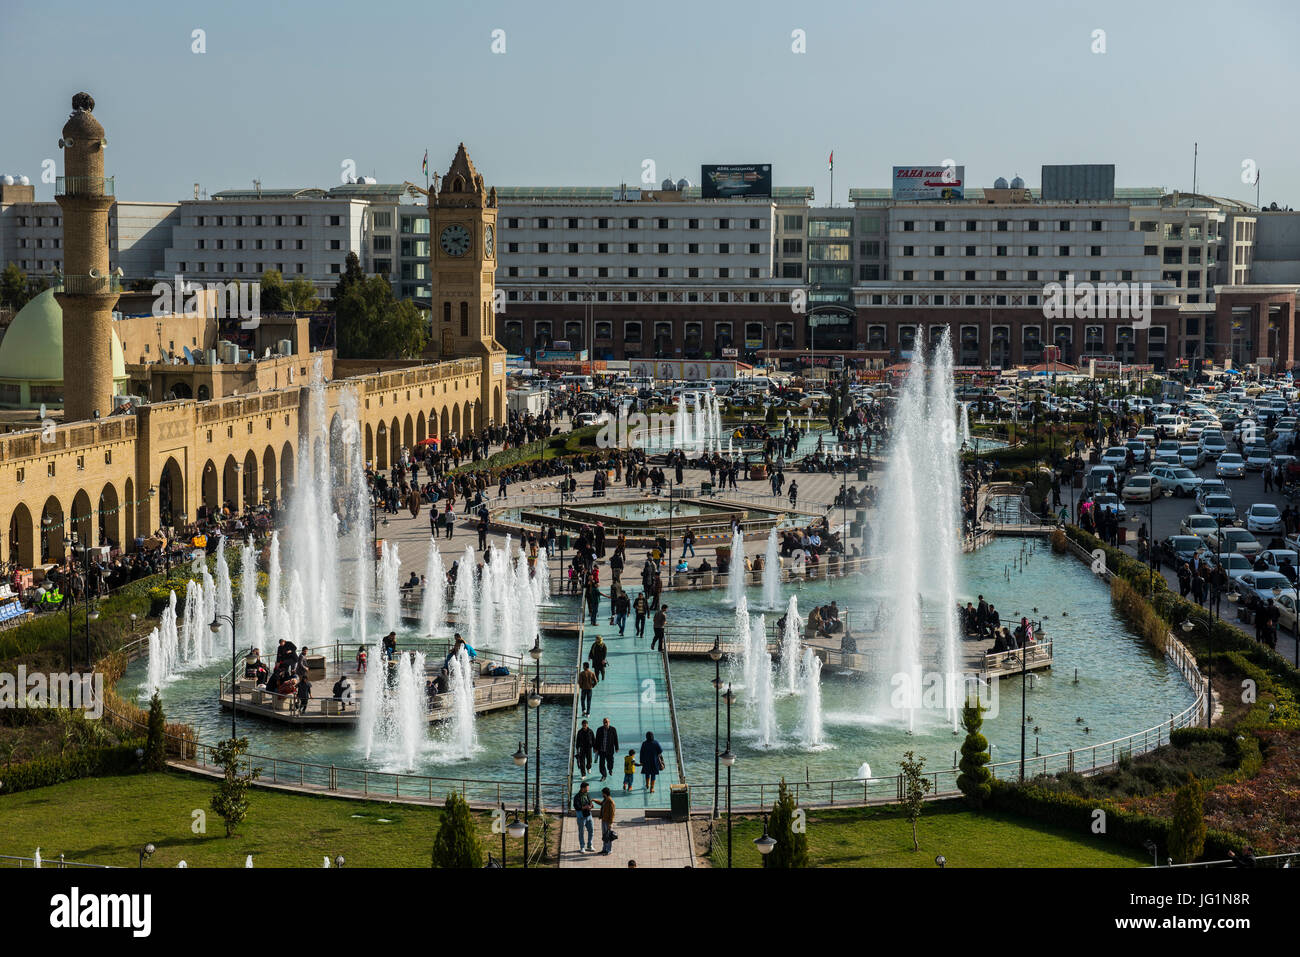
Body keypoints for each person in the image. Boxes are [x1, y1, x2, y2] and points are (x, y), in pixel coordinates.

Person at [594, 716, 619, 781]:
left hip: (610, 750)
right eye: (604, 722)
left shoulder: (613, 729)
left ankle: (610, 769)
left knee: (610, 762)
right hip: (601, 750)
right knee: (601, 764)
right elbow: (597, 740)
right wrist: (595, 748)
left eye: (607, 722)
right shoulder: (599, 729)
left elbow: (616, 739)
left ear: (609, 722)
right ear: (603, 723)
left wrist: (616, 747)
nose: (605, 723)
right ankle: (604, 775)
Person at [573, 781, 595, 853]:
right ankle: (582, 847)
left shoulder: (587, 794)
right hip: (581, 817)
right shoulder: (577, 797)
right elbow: (576, 807)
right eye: (587, 787)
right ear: (583, 788)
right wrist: (585, 807)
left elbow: (589, 803)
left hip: (589, 815)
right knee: (581, 832)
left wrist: (591, 806)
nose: (588, 789)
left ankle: (590, 845)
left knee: (591, 831)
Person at [597, 787, 617, 855]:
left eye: (602, 793)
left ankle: (609, 850)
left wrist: (610, 823)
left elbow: (612, 813)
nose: (602, 794)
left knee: (608, 836)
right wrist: (594, 800)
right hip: (604, 820)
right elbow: (601, 803)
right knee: (604, 835)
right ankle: (604, 849)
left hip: (607, 821)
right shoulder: (605, 799)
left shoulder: (610, 801)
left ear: (605, 793)